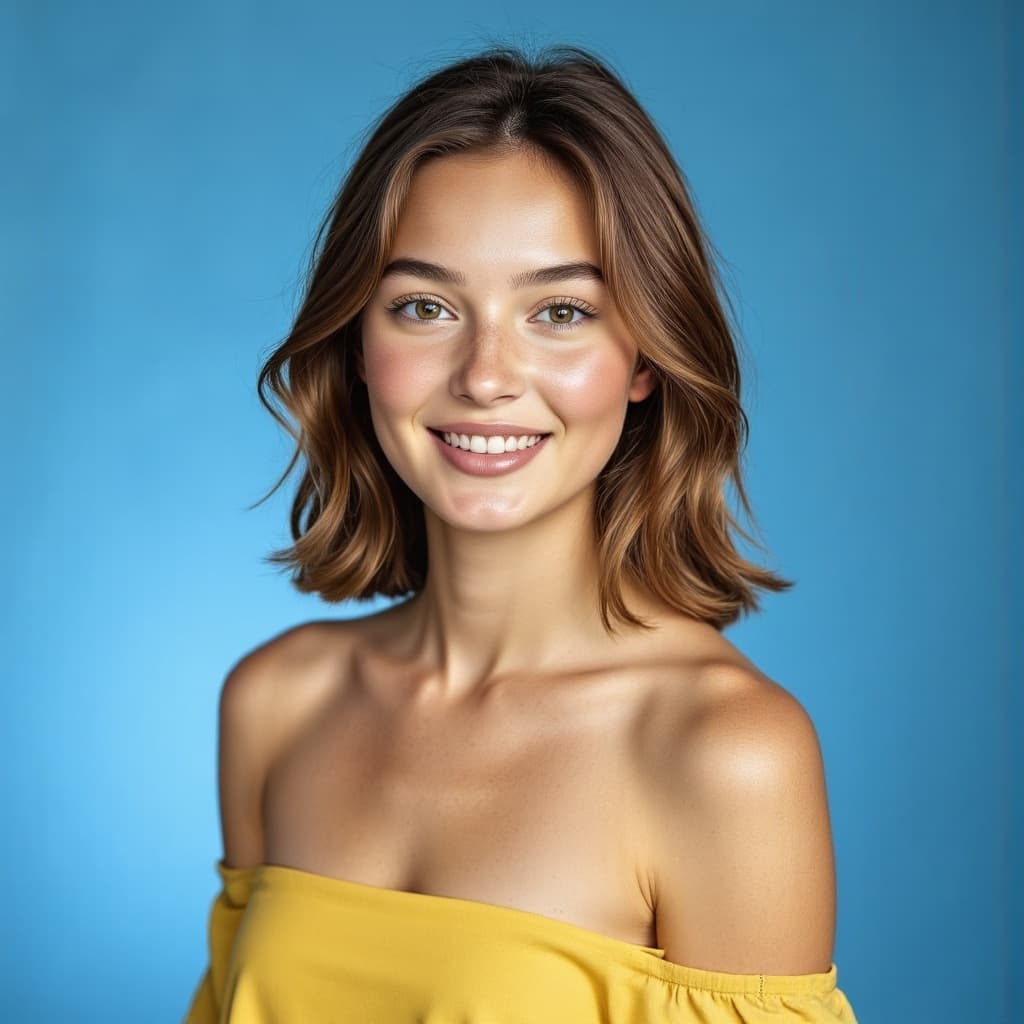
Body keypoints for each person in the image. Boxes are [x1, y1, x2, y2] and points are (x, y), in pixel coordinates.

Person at [184, 43, 859, 1023]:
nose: (486, 373)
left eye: (559, 311)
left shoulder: (725, 750)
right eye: (424, 306)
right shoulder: (276, 702)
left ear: (643, 359)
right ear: (358, 347)